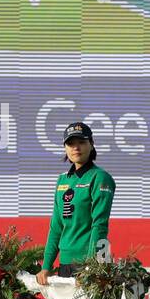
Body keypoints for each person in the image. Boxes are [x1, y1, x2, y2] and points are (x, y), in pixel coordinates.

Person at [36, 121, 116, 284]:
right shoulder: (62, 180)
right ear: (65, 148)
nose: (76, 148)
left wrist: (92, 266)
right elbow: (56, 226)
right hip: (66, 263)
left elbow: (99, 225)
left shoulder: (100, 177)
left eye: (81, 142)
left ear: (92, 144)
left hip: (92, 263)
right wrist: (46, 266)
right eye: (71, 143)